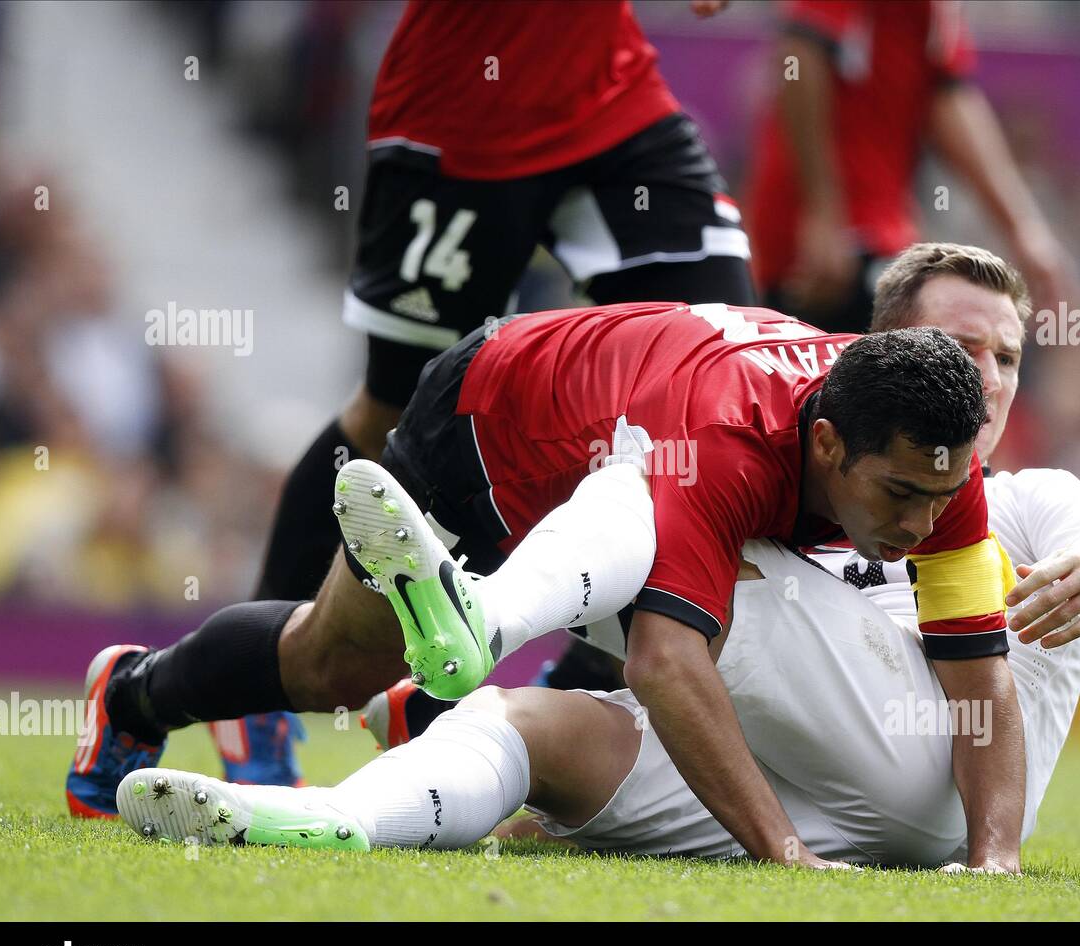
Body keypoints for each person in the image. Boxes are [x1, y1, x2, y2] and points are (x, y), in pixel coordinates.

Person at [114, 244, 1080, 871]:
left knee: (502, 712)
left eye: (1007, 357)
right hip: (490, 428)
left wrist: (991, 864)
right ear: (876, 348)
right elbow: (671, 659)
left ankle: (330, 807)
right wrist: (787, 868)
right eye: (961, 351)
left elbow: (1004, 654)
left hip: (828, 767)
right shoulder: (725, 438)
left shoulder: (955, 472)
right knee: (330, 661)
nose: (989, 380)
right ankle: (158, 690)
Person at [189, 0, 754, 789]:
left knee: (714, 369)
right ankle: (257, 689)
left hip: (610, 96)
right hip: (465, 110)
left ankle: (564, 704)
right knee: (387, 411)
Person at [746, 0, 1072, 335]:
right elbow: (801, 51)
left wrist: (1022, 229)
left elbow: (946, 92)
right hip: (827, 238)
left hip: (881, 231)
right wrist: (822, 211)